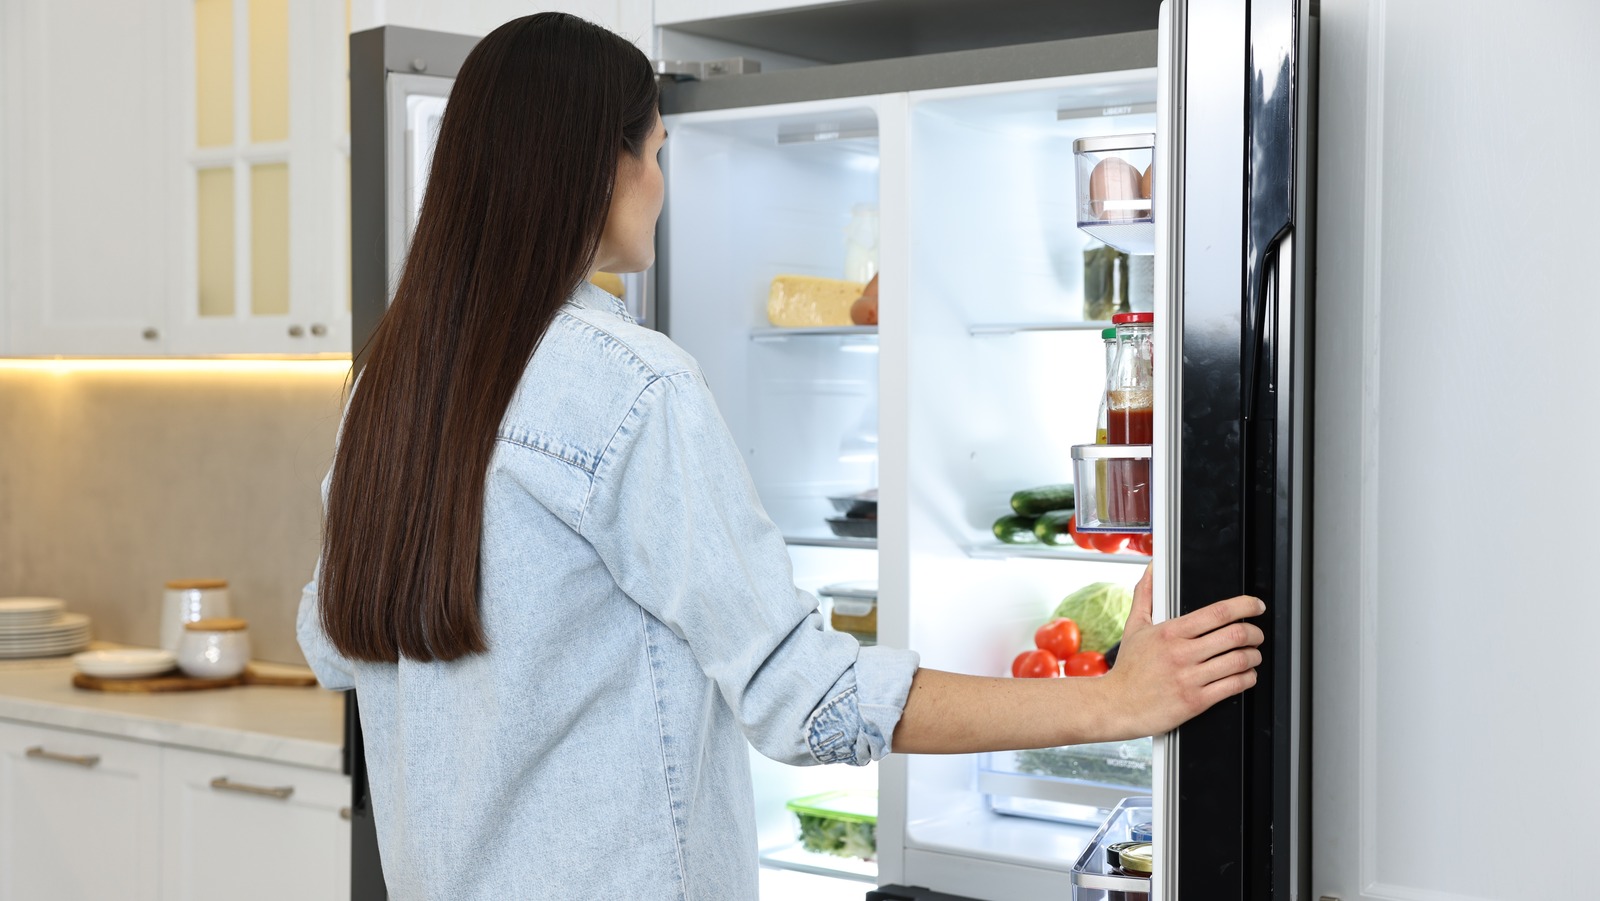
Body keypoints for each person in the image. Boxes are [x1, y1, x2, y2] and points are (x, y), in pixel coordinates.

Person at [297, 12, 1265, 900]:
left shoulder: (394, 390)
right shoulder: (631, 383)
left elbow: (338, 648)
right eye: (658, 152)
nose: (661, 187)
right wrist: (1111, 700)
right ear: (606, 165)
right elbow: (805, 700)